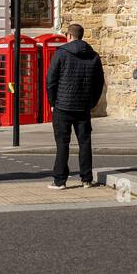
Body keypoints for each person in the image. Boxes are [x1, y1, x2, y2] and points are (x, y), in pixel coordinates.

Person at [44, 23, 104, 189]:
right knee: (85, 143)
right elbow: (99, 83)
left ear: (69, 36)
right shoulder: (93, 55)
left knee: (62, 143)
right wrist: (92, 102)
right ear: (81, 36)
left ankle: (60, 181)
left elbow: (51, 80)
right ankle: (86, 179)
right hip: (83, 106)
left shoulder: (61, 53)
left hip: (62, 106)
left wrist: (52, 102)